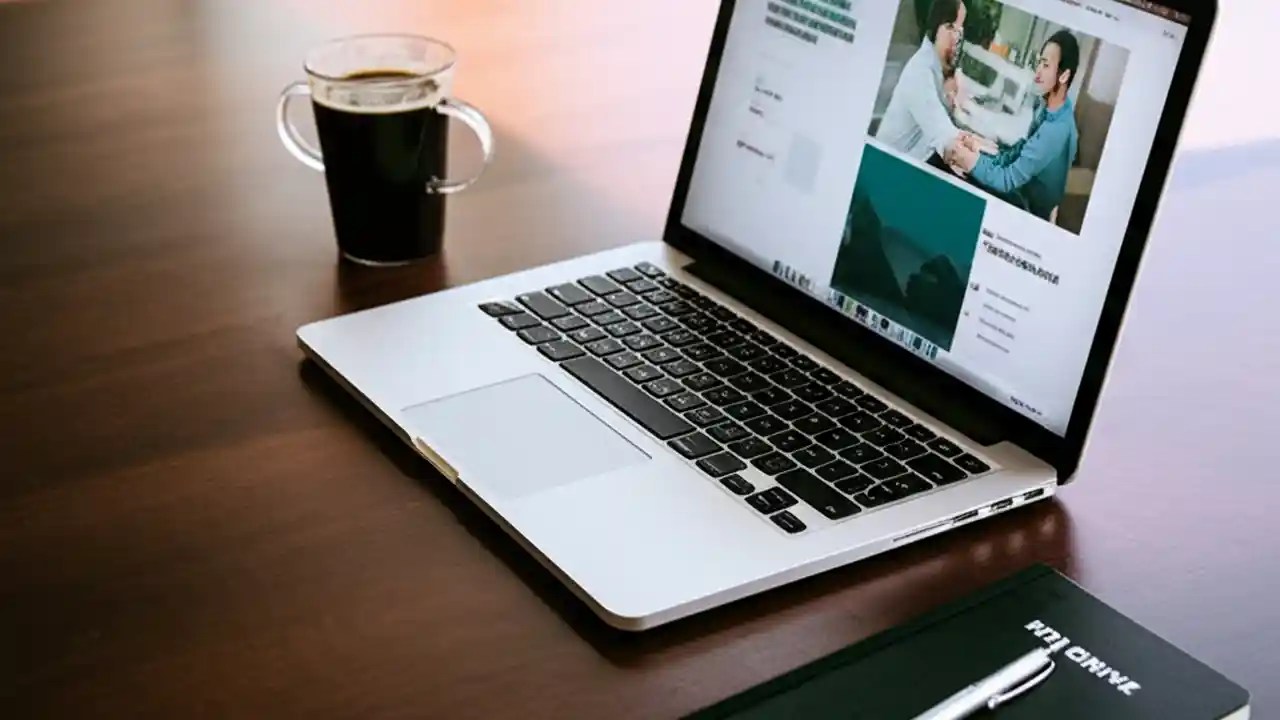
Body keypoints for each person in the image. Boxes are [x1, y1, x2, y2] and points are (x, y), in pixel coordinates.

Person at [953, 30, 1081, 223]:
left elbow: (1007, 180)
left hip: (1028, 206)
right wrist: (981, 153)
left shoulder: (1055, 131)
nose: (1037, 71)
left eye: (1045, 65)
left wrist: (969, 160)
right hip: (1027, 185)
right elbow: (1021, 151)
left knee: (956, 171)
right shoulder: (1053, 105)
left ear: (1064, 76)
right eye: (1039, 62)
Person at [876, 0, 969, 162]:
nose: (956, 37)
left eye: (960, 29)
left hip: (913, 160)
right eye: (950, 27)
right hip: (889, 165)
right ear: (935, 26)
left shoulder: (939, 66)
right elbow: (944, 134)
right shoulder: (920, 72)